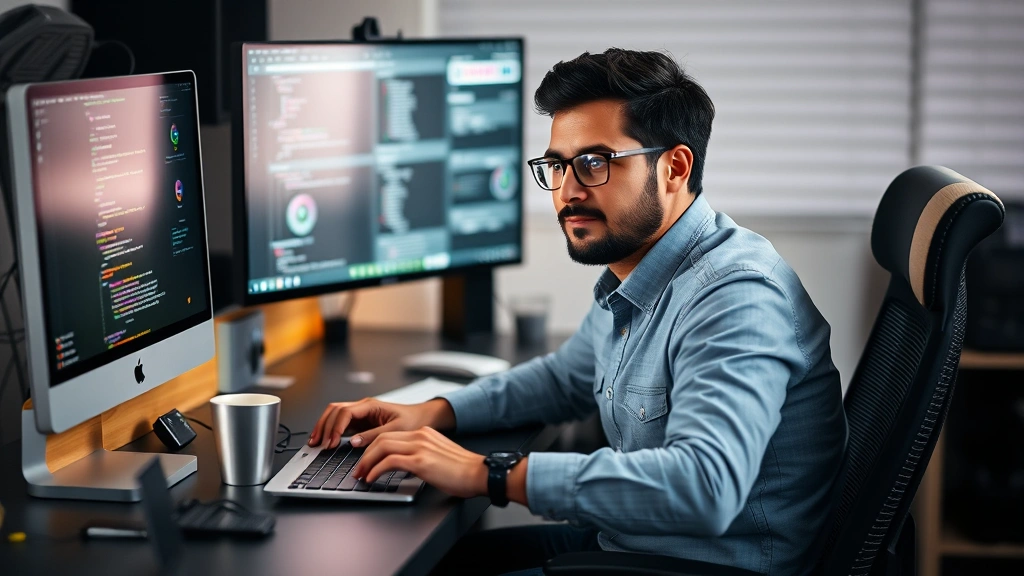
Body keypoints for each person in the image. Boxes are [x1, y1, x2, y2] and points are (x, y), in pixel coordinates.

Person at [309, 48, 847, 576]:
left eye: (594, 163)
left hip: (697, 565)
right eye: (556, 165)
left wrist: (489, 472)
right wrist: (434, 411)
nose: (566, 191)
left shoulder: (735, 296)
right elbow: (564, 378)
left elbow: (706, 486)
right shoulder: (638, 270)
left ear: (674, 167)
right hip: (634, 543)